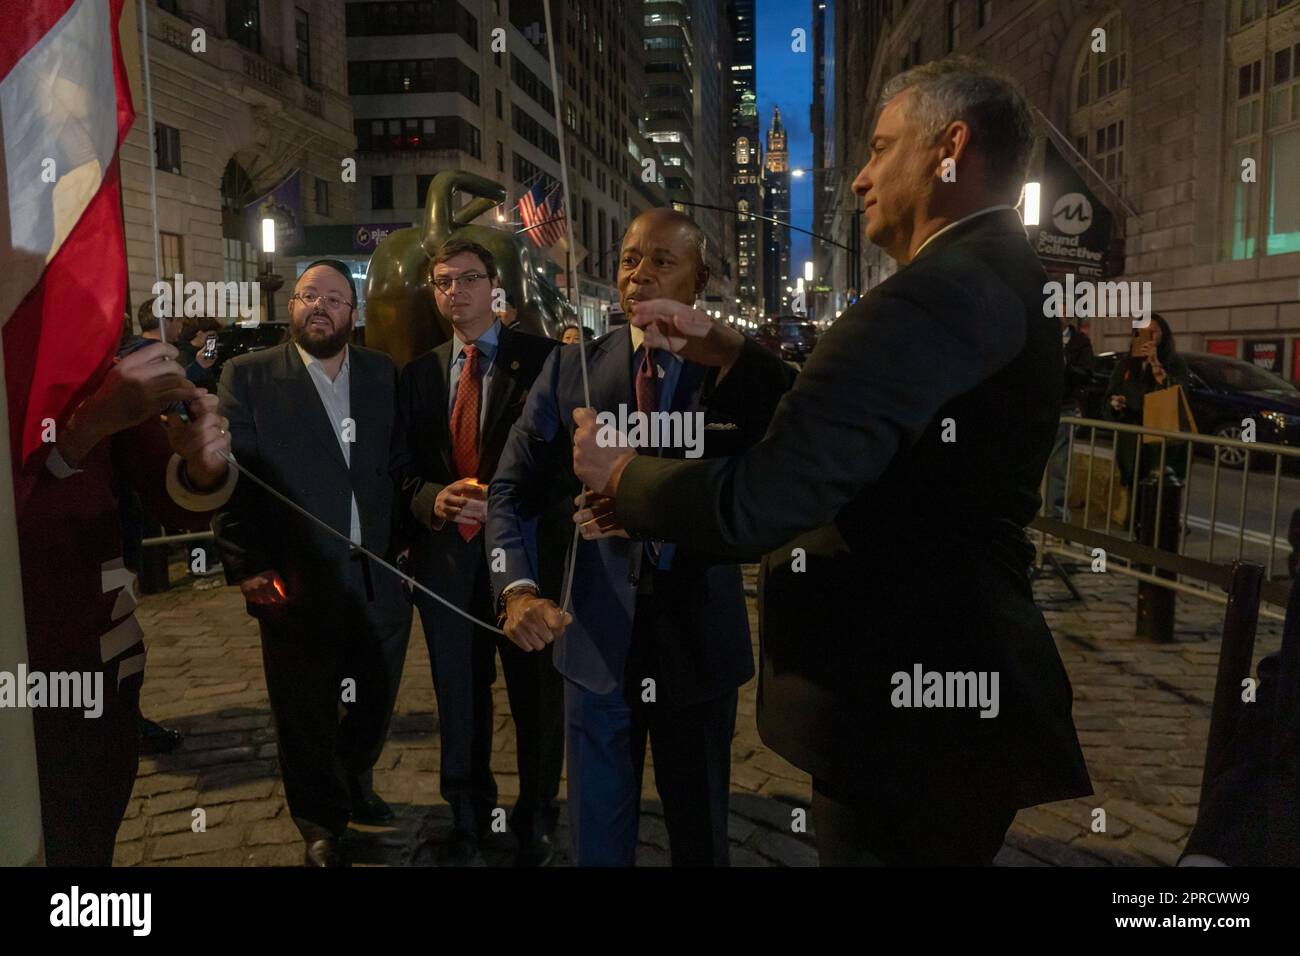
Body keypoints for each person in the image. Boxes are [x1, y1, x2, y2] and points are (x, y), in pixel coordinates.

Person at [572, 57, 1093, 865]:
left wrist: (622, 475)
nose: (857, 179)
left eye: (881, 148)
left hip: (904, 718)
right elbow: (859, 433)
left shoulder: (937, 290)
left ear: (950, 148)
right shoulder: (985, 272)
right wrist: (735, 356)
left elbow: (765, 498)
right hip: (927, 705)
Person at [487, 208, 790, 866]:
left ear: (699, 280)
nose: (639, 273)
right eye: (628, 258)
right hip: (593, 643)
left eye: (661, 260)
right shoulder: (572, 370)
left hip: (697, 642)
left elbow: (764, 501)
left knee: (701, 837)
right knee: (596, 841)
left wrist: (648, 507)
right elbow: (507, 488)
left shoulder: (730, 378)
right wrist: (515, 590)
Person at [213, 259, 412, 867]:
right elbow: (231, 480)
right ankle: (319, 818)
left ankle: (354, 777)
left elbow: (401, 464)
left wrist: (406, 543)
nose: (319, 306)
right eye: (307, 296)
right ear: (292, 308)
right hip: (295, 578)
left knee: (376, 696)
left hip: (379, 574)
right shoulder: (247, 376)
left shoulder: (382, 373)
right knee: (303, 706)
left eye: (333, 298)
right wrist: (247, 564)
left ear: (353, 314)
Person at [16, 333, 234, 865]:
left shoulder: (79, 341)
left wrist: (200, 464)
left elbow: (171, 490)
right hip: (17, 685)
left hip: (94, 675)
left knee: (85, 848)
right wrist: (79, 434)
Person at [390, 239, 566, 867]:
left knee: (537, 697)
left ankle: (537, 815)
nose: (455, 292)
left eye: (468, 279)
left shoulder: (546, 361)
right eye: (442, 282)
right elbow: (402, 472)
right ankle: (466, 814)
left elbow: (566, 465)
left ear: (494, 287)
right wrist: (432, 499)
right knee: (458, 697)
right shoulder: (418, 373)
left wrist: (509, 497)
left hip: (525, 562)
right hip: (447, 566)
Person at [1102, 312, 1190, 490]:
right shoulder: (1126, 364)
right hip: (1132, 441)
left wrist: (1156, 364)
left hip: (1161, 442)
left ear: (1163, 335)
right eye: (1142, 331)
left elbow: (1178, 395)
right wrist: (1115, 404)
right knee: (1133, 492)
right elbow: (1110, 395)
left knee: (1158, 495)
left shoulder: (1175, 363)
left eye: (1153, 332)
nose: (1147, 337)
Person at [1043, 316, 1094, 520]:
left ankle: (1055, 518)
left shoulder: (1079, 342)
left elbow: (1087, 372)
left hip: (1064, 408)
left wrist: (1066, 365)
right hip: (1042, 406)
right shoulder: (1043, 335)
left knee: (1058, 466)